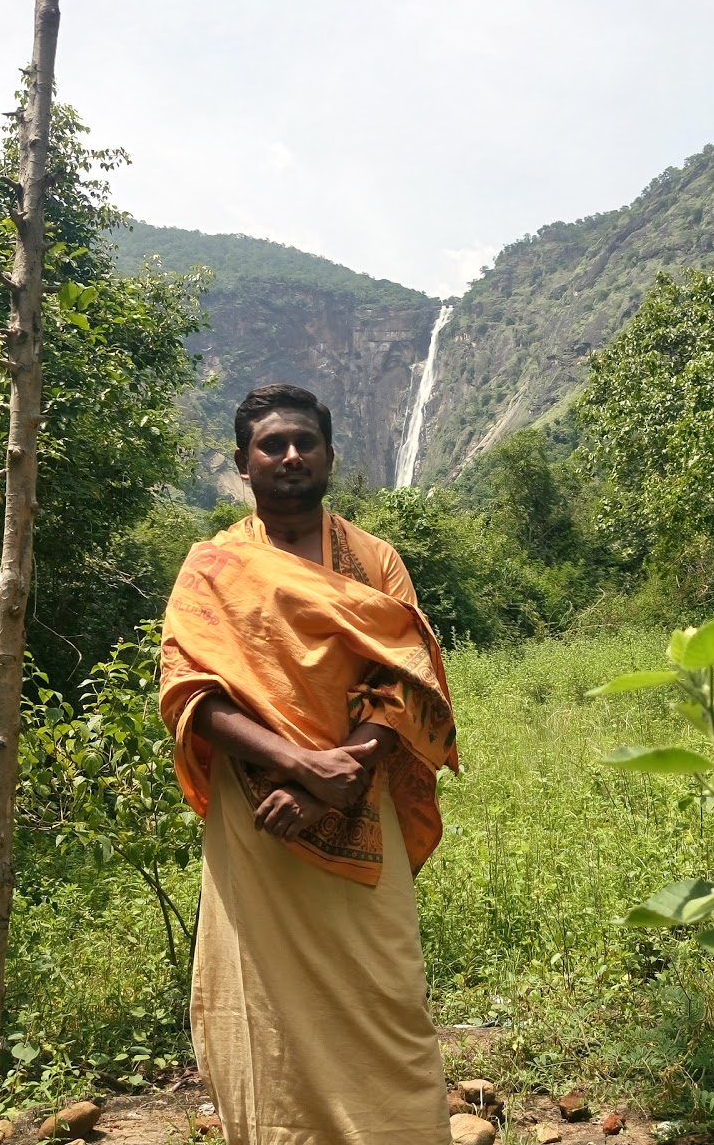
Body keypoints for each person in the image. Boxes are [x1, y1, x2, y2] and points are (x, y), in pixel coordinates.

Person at [158, 383, 460, 1145]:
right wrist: (297, 766)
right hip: (255, 818)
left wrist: (335, 784)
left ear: (329, 456)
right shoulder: (212, 568)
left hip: (360, 804)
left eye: (306, 443)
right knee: (262, 1001)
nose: (291, 455)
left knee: (387, 988)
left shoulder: (374, 561)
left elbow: (404, 681)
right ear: (242, 462)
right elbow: (190, 688)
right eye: (272, 445)